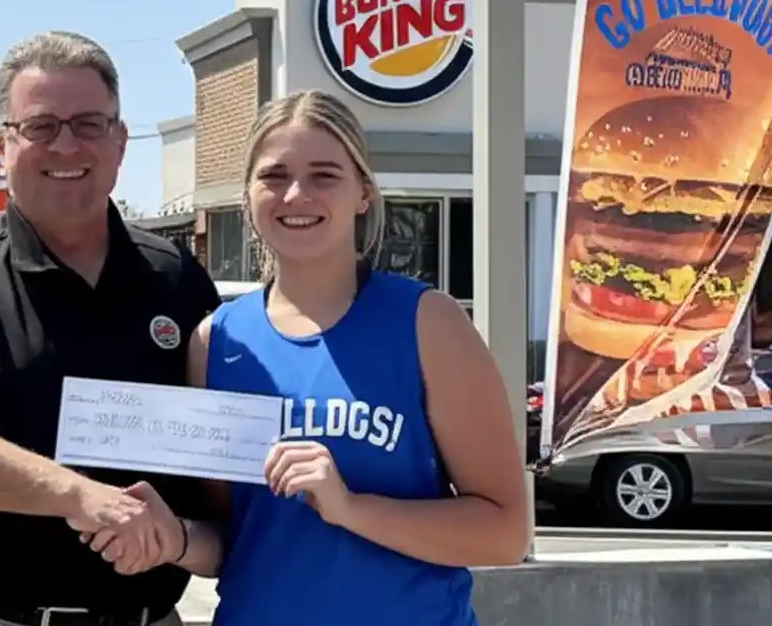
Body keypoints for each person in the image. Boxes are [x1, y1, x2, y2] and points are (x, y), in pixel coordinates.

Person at [75, 89, 530, 625]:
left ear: (362, 192)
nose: (296, 194)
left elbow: (503, 534)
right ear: (247, 195)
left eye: (324, 175)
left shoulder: (428, 324)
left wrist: (352, 509)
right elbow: (237, 539)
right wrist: (170, 536)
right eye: (274, 176)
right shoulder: (215, 342)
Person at [0, 30, 222, 626]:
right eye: (41, 126)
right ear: (0, 145)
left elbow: (217, 461)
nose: (66, 145)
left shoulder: (176, 280)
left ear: (121, 141)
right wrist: (80, 497)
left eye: (88, 124)